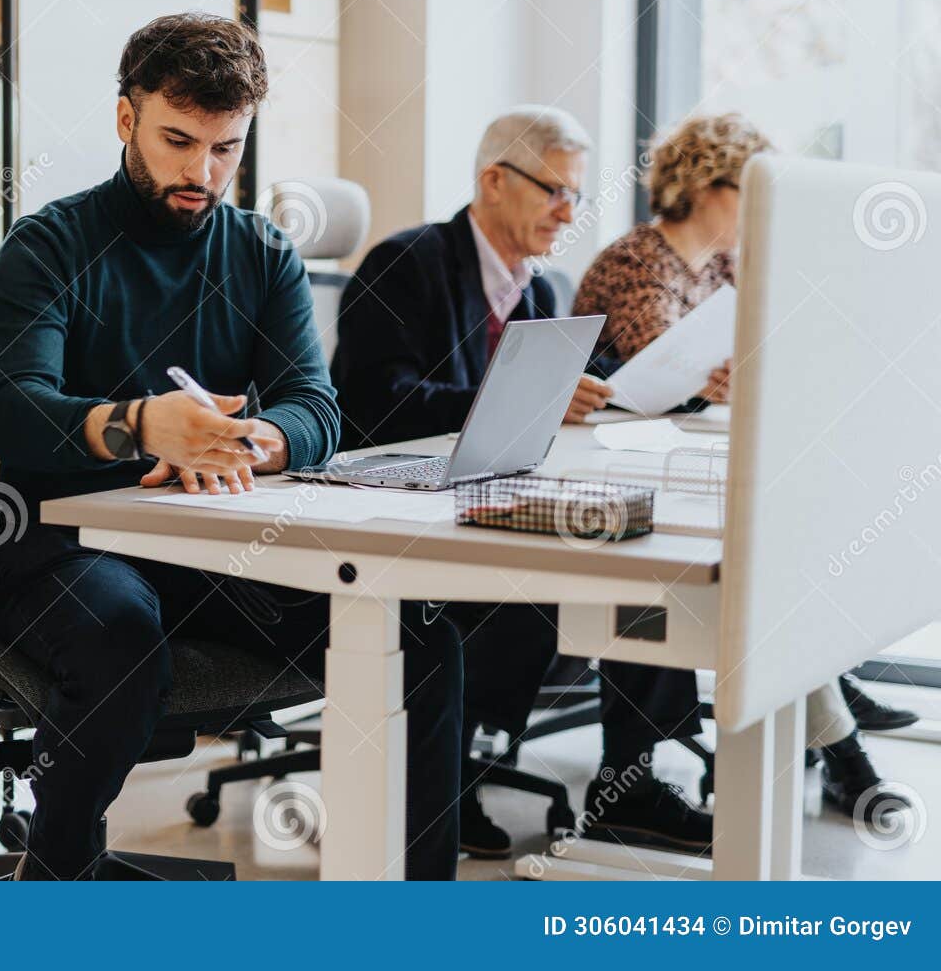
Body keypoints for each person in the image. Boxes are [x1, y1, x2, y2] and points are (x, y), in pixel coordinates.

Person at [0, 13, 464, 880]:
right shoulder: (48, 246)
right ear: (126, 119)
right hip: (61, 538)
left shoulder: (262, 253)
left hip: (214, 540)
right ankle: (54, 884)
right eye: (178, 141)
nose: (201, 172)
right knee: (120, 630)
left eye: (225, 150)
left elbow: (319, 408)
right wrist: (137, 424)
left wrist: (262, 439)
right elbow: (16, 415)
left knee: (421, 633)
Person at [331, 105, 714, 858]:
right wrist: (515, 400)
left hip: (499, 498)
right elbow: (369, 407)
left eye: (576, 196)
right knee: (545, 582)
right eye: (554, 192)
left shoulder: (541, 289)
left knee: (633, 548)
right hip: (413, 506)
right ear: (494, 181)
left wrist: (693, 385)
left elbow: (596, 384)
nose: (570, 213)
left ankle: (629, 782)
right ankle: (458, 774)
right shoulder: (405, 264)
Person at [575, 112, 917, 824]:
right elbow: (649, 378)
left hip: (673, 459)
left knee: (794, 537)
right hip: (618, 467)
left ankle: (830, 704)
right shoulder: (640, 260)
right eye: (749, 189)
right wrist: (716, 379)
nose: (761, 208)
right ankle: (844, 748)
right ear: (703, 184)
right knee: (771, 562)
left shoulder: (727, 266)